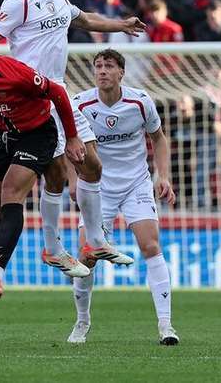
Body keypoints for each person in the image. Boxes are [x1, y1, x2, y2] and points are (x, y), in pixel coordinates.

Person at [0, 0, 144, 283]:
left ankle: (93, 240)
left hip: (60, 91)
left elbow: (85, 19)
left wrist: (121, 25)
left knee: (90, 166)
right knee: (57, 171)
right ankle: (55, 247)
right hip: (33, 96)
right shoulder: (18, 2)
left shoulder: (59, 1)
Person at [0, 26, 85, 316]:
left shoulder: (14, 72)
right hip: (3, 135)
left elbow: (57, 93)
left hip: (37, 133)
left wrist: (71, 136)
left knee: (12, 191)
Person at [66, 49, 178, 346]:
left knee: (150, 245)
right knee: (86, 256)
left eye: (109, 66)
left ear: (121, 73)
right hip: (97, 186)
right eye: (98, 66)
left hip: (136, 183)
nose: (102, 71)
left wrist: (162, 175)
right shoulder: (80, 104)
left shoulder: (140, 101)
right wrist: (73, 178)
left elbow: (159, 138)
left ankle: (166, 326)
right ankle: (82, 322)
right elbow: (67, 143)